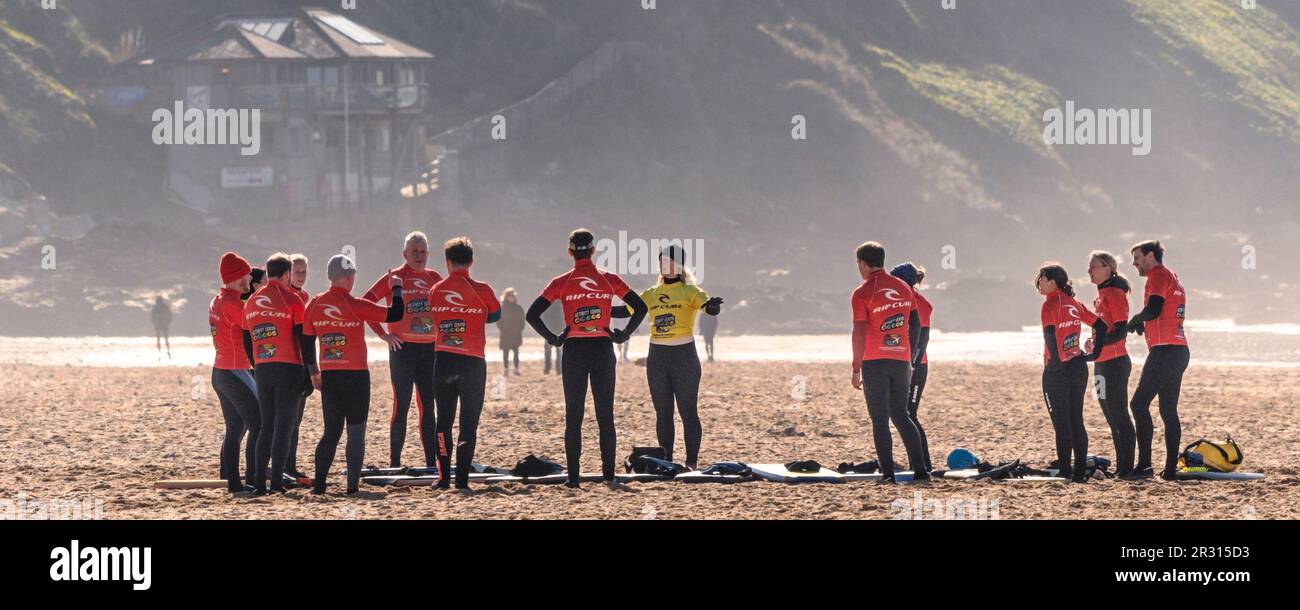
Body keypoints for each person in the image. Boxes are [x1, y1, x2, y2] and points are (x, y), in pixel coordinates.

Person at [526, 229, 648, 487]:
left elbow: (532, 315)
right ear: (594, 250)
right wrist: (623, 334)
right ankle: (609, 476)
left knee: (574, 416)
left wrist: (554, 338)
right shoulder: (608, 279)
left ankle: (573, 478)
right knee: (606, 416)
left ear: (570, 252)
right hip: (602, 349)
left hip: (574, 352)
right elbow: (640, 307)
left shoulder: (560, 282)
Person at [612, 246, 721, 469]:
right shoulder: (650, 294)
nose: (665, 266)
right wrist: (599, 305)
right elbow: (625, 311)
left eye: (670, 261)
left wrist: (712, 306)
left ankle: (691, 462)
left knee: (688, 411)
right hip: (658, 358)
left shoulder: (691, 291)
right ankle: (667, 461)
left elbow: (708, 307)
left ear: (680, 265)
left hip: (684, 357)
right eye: (662, 261)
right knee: (663, 413)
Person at [303, 255, 404, 495]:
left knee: (331, 432)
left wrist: (313, 372)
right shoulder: (356, 304)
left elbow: (306, 341)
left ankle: (319, 485)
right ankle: (352, 487)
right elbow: (395, 314)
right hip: (356, 376)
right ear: (349, 278)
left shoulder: (314, 304)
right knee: (355, 432)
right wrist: (396, 287)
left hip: (329, 376)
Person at [362, 231, 444, 468]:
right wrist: (383, 334)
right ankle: (395, 462)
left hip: (429, 351)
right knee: (402, 404)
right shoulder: (395, 277)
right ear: (405, 254)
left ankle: (431, 462)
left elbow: (445, 308)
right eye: (414, 252)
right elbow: (366, 305)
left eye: (422, 252)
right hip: (403, 350)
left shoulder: (434, 277)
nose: (419, 256)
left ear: (428, 254)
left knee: (429, 406)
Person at [850, 242, 930, 484]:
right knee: (902, 415)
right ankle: (921, 471)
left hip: (874, 362)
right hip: (900, 360)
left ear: (862, 263)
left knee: (880, 419)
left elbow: (859, 332)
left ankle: (887, 475)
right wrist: (910, 356)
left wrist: (855, 368)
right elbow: (916, 325)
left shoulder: (862, 293)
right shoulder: (904, 288)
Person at [429, 237, 501, 489]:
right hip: (472, 362)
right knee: (469, 424)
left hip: (445, 360)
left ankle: (442, 479)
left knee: (443, 422)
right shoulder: (483, 290)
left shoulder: (436, 290)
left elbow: (434, 318)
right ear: (471, 261)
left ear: (447, 262)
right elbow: (495, 314)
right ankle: (461, 481)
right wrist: (473, 315)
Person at [243, 253, 317, 495]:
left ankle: (257, 483)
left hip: (262, 369)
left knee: (266, 427)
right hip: (288, 369)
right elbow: (304, 338)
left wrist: (256, 364)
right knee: (284, 427)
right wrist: (310, 371)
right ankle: (276, 482)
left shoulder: (252, 302)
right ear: (286, 274)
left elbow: (246, 338)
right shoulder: (293, 299)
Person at [1126, 240, 1189, 481]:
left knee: (1138, 405)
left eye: (1137, 258)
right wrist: (1145, 322)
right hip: (1179, 350)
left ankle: (1144, 466)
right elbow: (1162, 312)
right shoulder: (1172, 276)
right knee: (1167, 410)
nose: (1134, 264)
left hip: (1165, 352)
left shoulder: (1157, 275)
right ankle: (1170, 470)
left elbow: (1153, 308)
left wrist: (1136, 319)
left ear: (1150, 256)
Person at [1036, 263, 1095, 483]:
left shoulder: (1050, 304)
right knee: (1076, 420)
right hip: (1078, 365)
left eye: (1043, 278)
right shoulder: (1074, 303)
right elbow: (1100, 323)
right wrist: (1093, 353)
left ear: (1054, 282)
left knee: (1062, 423)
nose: (1039, 283)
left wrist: (1055, 363)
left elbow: (1050, 336)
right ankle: (1079, 473)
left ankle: (1064, 471)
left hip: (1057, 370)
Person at [1082, 251, 1136, 478]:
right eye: (1089, 267)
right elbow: (1104, 331)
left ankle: (1128, 467)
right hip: (1101, 364)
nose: (1089, 271)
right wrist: (1093, 342)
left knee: (1119, 414)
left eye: (1093, 267)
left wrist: (1098, 345)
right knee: (1110, 416)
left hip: (1116, 363)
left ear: (1108, 268)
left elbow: (1121, 332)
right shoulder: (1100, 296)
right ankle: (1121, 467)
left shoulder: (1114, 294)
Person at [208, 252, 259, 493]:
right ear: (235, 278)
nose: (249, 278)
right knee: (258, 425)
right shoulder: (232, 304)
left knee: (236, 428)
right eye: (246, 275)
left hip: (221, 372)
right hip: (234, 372)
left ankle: (232, 482)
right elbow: (256, 324)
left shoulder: (219, 300)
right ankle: (250, 480)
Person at [890, 262, 933, 473]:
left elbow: (923, 337)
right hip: (902, 365)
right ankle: (919, 463)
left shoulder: (920, 302)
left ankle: (924, 464)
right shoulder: (901, 300)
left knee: (909, 414)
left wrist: (912, 365)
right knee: (903, 414)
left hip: (916, 366)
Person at [286, 253, 311, 479]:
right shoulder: (284, 296)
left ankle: (290, 465)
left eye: (304, 272)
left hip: (302, 361)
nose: (301, 276)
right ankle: (284, 466)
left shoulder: (304, 296)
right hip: (287, 363)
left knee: (297, 419)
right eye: (297, 272)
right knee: (287, 418)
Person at [497, 288, 525, 376]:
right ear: (506, 297)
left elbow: (523, 321)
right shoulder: (502, 308)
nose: (512, 297)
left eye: (514, 296)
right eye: (510, 296)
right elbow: (498, 321)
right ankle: (506, 369)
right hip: (505, 334)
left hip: (516, 334)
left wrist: (520, 329)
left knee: (516, 351)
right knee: (506, 352)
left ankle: (516, 369)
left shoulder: (518, 308)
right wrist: (503, 329)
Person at [541, 297, 565, 375]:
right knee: (558, 353)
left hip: (550, 332)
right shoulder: (563, 306)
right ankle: (558, 370)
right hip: (557, 332)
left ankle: (548, 369)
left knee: (549, 352)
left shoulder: (547, 306)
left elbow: (543, 318)